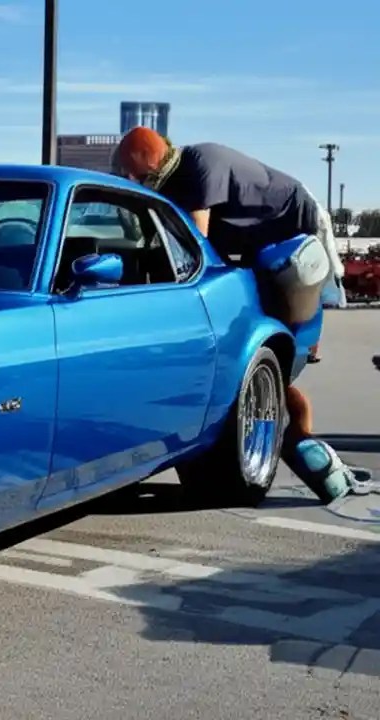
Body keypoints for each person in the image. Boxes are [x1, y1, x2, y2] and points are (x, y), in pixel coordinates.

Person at [115, 127, 370, 503]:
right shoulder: (173, 181)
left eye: (138, 175)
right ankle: (287, 425)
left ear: (152, 166)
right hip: (253, 240)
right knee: (255, 329)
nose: (137, 181)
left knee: (282, 337)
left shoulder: (201, 165)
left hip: (293, 228)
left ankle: (297, 424)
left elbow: (196, 242)